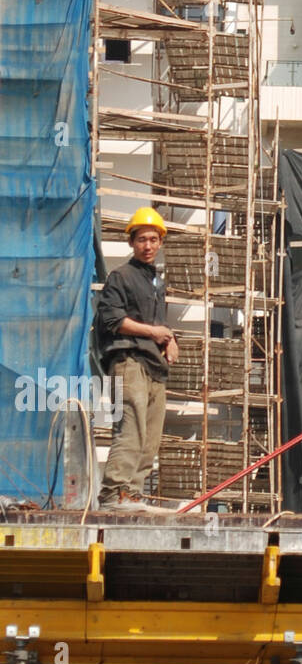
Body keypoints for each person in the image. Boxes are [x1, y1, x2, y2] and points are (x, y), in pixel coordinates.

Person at [96, 208, 179, 512]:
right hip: (128, 361)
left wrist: (169, 340)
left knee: (151, 437)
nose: (148, 245)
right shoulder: (122, 276)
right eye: (142, 239)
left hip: (153, 366)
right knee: (130, 428)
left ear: (160, 243)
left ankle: (131, 493)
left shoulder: (156, 282)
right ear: (132, 242)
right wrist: (155, 333)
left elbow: (156, 323)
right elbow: (112, 319)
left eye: (153, 239)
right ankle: (113, 493)